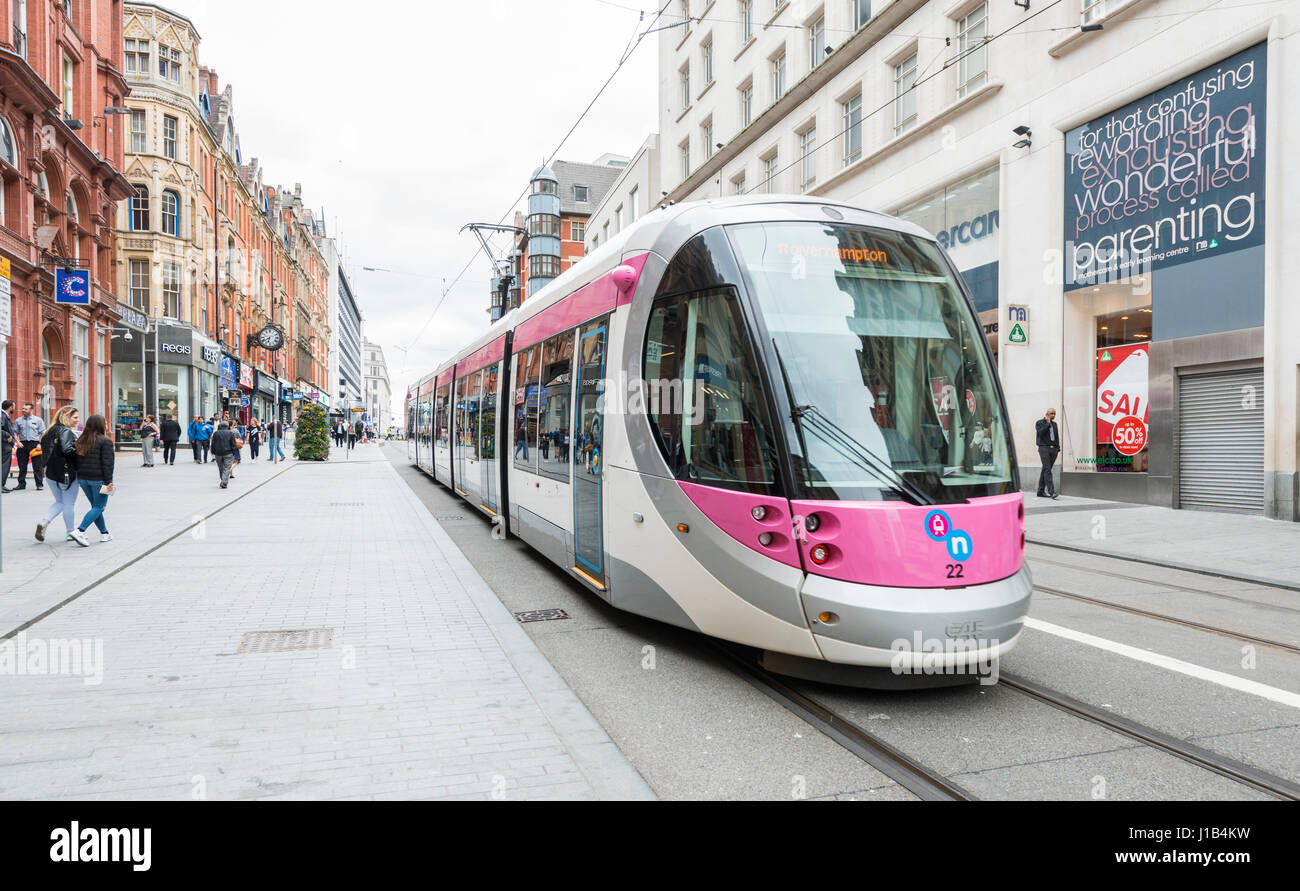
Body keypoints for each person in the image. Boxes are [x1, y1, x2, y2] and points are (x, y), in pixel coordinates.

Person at [35, 406, 81, 543]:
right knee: (68, 503)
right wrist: (80, 450)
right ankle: (70, 532)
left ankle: (44, 523)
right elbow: (67, 449)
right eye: (75, 417)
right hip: (66, 473)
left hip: (51, 473)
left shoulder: (49, 431)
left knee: (60, 501)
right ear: (66, 416)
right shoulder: (66, 431)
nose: (77, 420)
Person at [69, 414, 114, 547]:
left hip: (83, 479)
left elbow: (76, 461)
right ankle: (80, 530)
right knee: (99, 507)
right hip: (99, 479)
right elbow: (108, 463)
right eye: (105, 422)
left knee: (96, 507)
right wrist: (109, 481)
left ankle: (105, 533)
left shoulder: (81, 440)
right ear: (100, 425)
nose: (106, 425)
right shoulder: (105, 441)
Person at [14, 402, 47, 489]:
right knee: (22, 466)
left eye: (26, 409)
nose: (23, 410)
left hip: (35, 445)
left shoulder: (38, 420)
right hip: (22, 444)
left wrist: (40, 444)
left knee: (37, 466)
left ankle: (39, 484)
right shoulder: (18, 420)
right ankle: (21, 484)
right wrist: (17, 442)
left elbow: (43, 433)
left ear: (31, 410)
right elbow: (14, 432)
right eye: (23, 409)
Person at [1035, 408, 1061, 499]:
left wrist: (1058, 448)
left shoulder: (1055, 424)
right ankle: (1052, 492)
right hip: (1044, 448)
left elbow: (1056, 437)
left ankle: (1040, 491)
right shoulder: (1039, 423)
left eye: (1054, 414)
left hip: (1053, 450)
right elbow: (1040, 433)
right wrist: (1047, 423)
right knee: (1047, 470)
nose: (1053, 415)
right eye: (1051, 414)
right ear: (1047, 414)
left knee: (1046, 469)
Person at [209, 420, 239, 488]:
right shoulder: (230, 433)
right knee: (227, 468)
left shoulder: (216, 433)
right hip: (228, 453)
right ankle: (224, 482)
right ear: (227, 426)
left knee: (221, 468)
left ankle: (223, 481)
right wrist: (234, 452)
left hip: (218, 454)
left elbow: (213, 444)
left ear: (220, 426)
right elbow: (233, 444)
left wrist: (213, 452)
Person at [1, 400, 16, 492]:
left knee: (5, 465)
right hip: (4, 444)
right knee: (4, 465)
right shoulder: (2, 416)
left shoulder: (4, 416)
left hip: (5, 444)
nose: (14, 408)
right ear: (10, 407)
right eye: (14, 406)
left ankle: (2, 484)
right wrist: (8, 435)